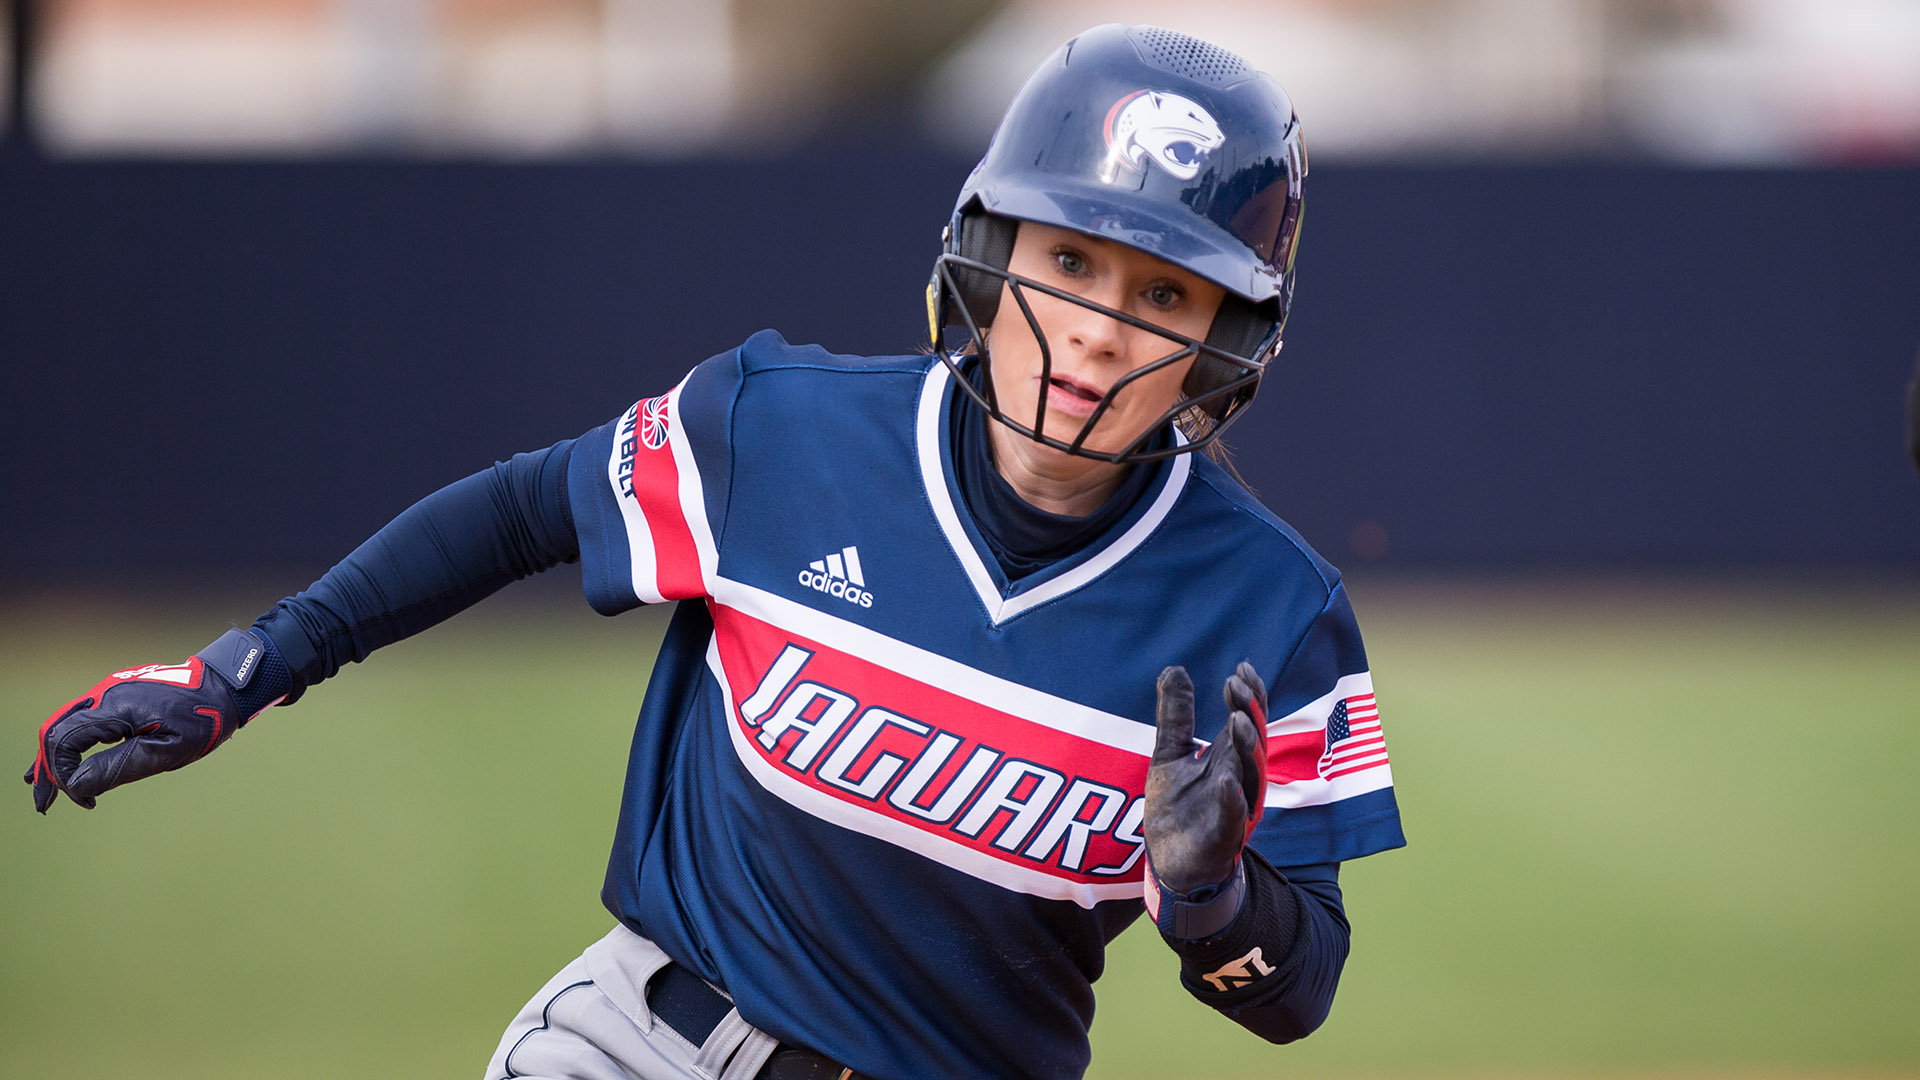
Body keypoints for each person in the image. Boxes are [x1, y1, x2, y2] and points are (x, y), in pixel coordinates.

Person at [25, 23, 1403, 1080]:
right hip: (645, 1045)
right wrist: (247, 666)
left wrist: (1218, 904)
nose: (1101, 326)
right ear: (990, 253)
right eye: (1071, 259)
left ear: (1234, 338)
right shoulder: (777, 428)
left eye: (1165, 289)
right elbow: (517, 510)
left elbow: (1299, 994)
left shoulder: (1269, 612)